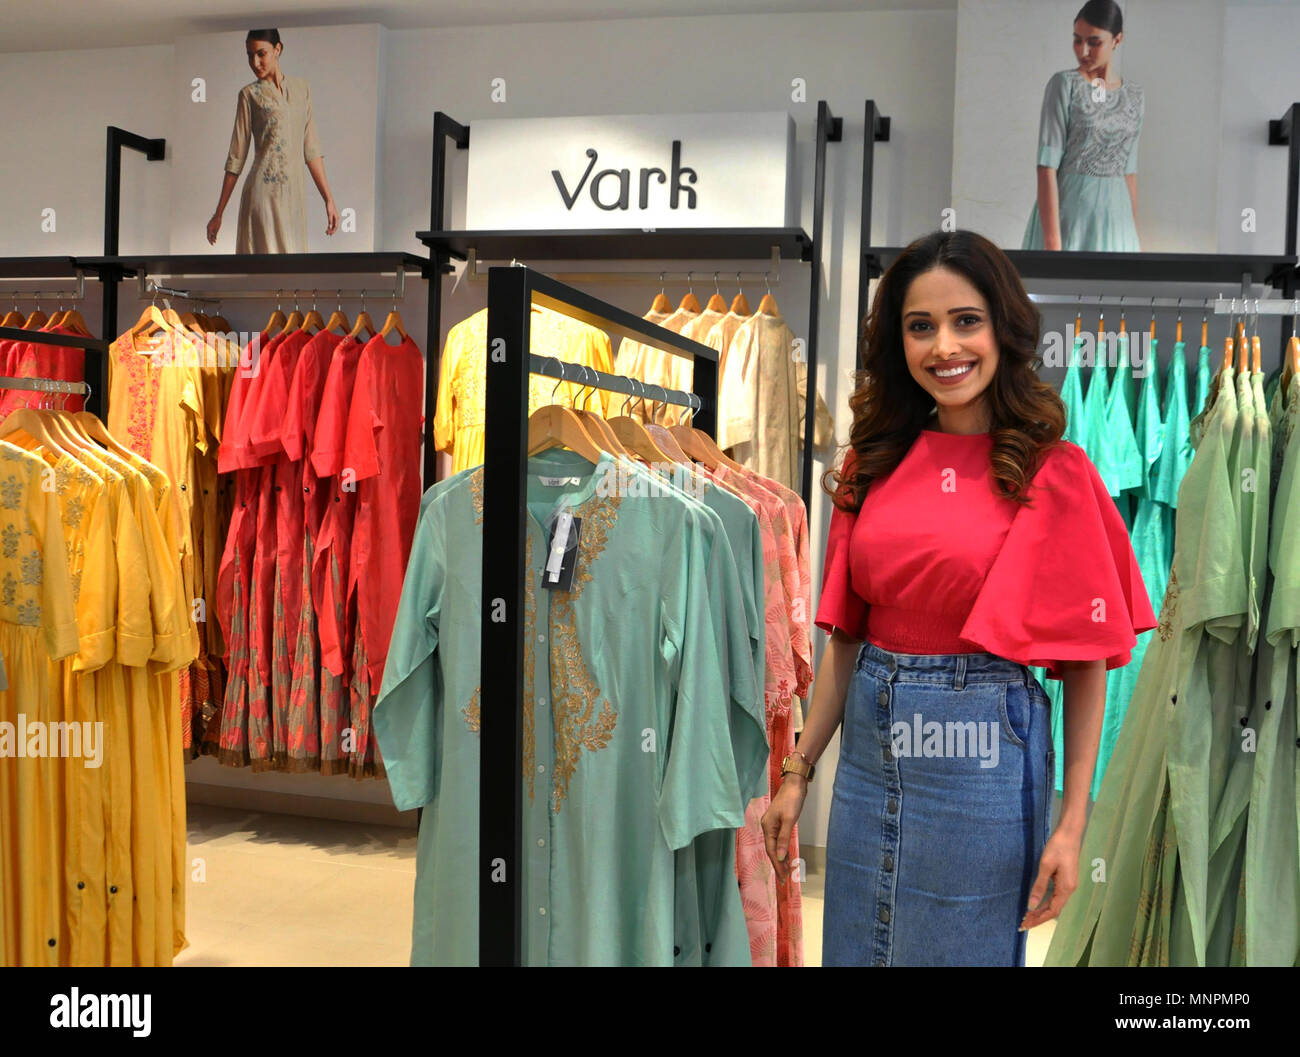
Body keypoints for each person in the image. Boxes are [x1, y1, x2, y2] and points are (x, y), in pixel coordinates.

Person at [762, 229, 1156, 966]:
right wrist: (797, 772)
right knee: (856, 950)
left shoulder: (1054, 473)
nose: (944, 346)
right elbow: (848, 639)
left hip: (984, 768)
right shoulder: (871, 463)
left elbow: (1085, 665)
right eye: (921, 326)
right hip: (866, 763)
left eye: (965, 320)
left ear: (1002, 328)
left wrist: (1073, 826)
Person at [1022, 0, 1143, 251]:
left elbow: (1130, 173)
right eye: (1077, 40)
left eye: (1094, 42)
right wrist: (1053, 245)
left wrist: (1134, 239)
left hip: (1117, 223)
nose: (1083, 50)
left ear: (1117, 40)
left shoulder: (1135, 96)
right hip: (1070, 220)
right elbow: (1046, 168)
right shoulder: (1063, 85)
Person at [206, 29, 339, 253]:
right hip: (263, 194)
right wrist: (218, 213)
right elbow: (236, 156)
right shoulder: (248, 95)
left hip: (294, 196)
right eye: (250, 55)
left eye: (261, 54)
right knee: (267, 264)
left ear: (278, 50)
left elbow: (311, 149)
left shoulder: (302, 89)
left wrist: (328, 199)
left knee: (293, 266)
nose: (255, 62)